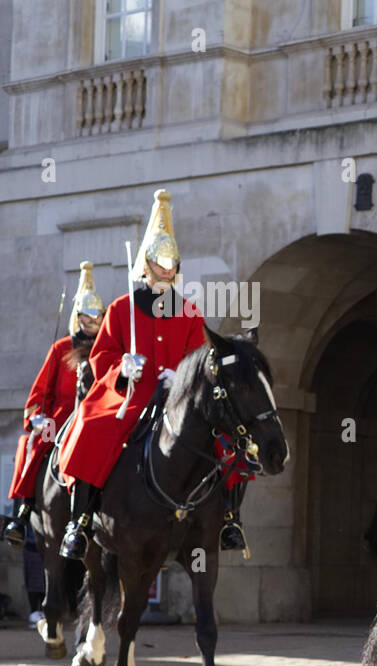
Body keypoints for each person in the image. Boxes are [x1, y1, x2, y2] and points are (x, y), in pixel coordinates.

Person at [56, 188, 249, 560]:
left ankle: (229, 518)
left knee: (231, 440)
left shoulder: (189, 312)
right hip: (131, 396)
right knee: (89, 430)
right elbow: (103, 355)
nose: (167, 270)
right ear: (147, 265)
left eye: (172, 264)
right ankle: (78, 523)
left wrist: (181, 376)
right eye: (160, 264)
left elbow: (201, 357)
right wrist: (122, 368)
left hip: (177, 398)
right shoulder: (121, 307)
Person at [4, 261, 103, 547]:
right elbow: (39, 393)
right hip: (59, 417)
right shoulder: (61, 349)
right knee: (33, 444)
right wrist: (36, 418)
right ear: (79, 316)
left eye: (98, 316)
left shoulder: (105, 348)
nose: (93, 322)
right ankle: (22, 511)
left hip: (94, 415)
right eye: (88, 315)